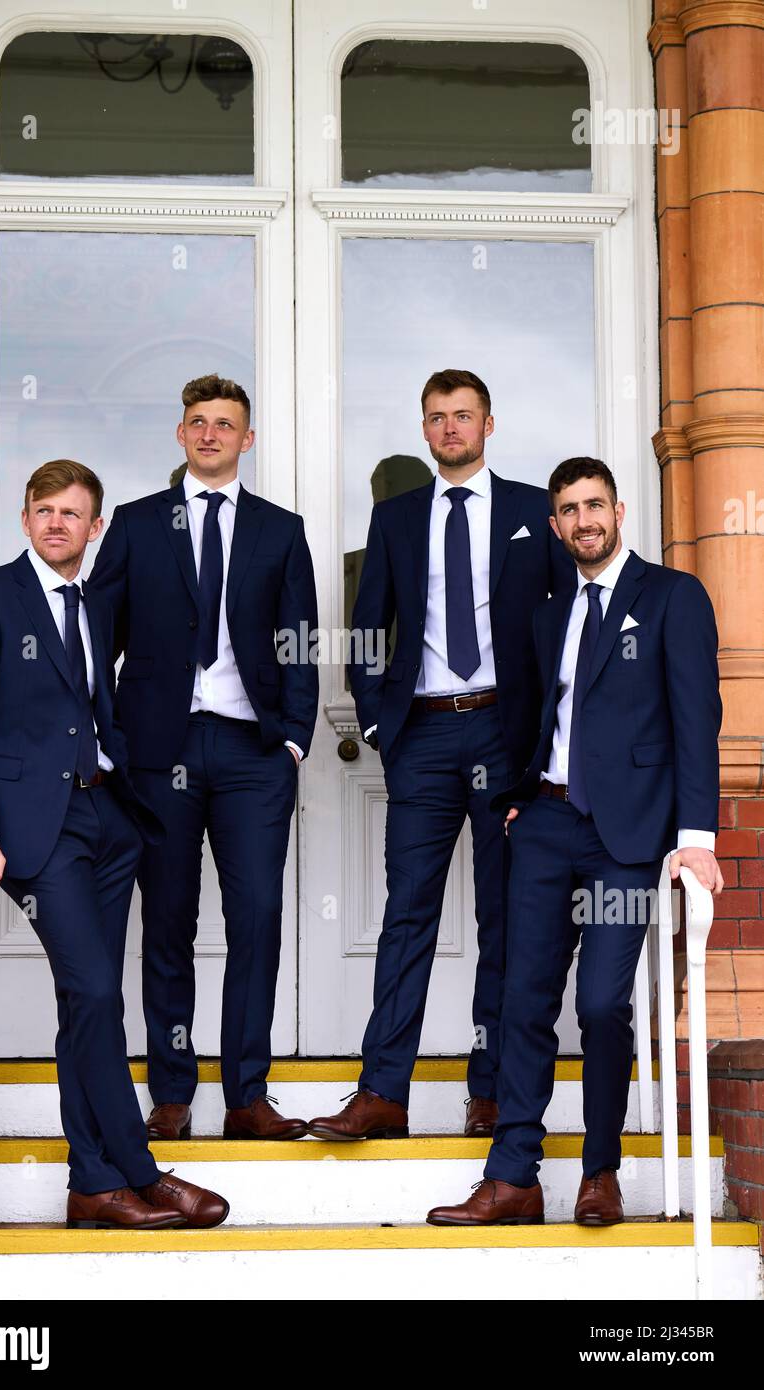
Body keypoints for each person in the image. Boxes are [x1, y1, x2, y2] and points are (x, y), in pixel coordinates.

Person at [426, 456, 723, 1227]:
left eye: (595, 505)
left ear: (619, 511)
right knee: (522, 999)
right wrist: (521, 797)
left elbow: (698, 722)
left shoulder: (672, 597)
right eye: (568, 509)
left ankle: (600, 1169)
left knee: (598, 1005)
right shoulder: (549, 613)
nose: (583, 520)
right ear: (555, 525)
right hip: (548, 827)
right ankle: (513, 1174)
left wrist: (696, 838)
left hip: (626, 838)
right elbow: (530, 717)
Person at [0, 459, 228, 1229]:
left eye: (73, 513)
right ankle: (139, 1169)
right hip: (40, 832)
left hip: (109, 820)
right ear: (25, 518)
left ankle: (91, 1184)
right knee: (97, 991)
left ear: (96, 527)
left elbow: (104, 706)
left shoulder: (96, 606)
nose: (57, 523)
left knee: (86, 1004)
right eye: (44, 510)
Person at [309, 369, 573, 1142]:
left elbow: (567, 627)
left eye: (463, 416)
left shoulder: (533, 511)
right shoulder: (395, 516)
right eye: (436, 418)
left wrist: (552, 738)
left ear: (489, 423)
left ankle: (488, 1091)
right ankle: (382, 1091)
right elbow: (367, 628)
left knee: (505, 912)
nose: (450, 428)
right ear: (424, 431)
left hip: (506, 735)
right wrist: (380, 723)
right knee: (408, 913)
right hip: (422, 734)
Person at [88, 375, 319, 1142]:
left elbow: (299, 644)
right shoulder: (134, 524)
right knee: (169, 922)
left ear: (246, 439)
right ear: (181, 433)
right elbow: (96, 644)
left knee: (256, 917)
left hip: (253, 752)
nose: (212, 434)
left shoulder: (281, 532)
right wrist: (109, 742)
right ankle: (174, 1091)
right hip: (160, 752)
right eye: (198, 422)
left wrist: (292, 739)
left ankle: (247, 1096)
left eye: (226, 424)